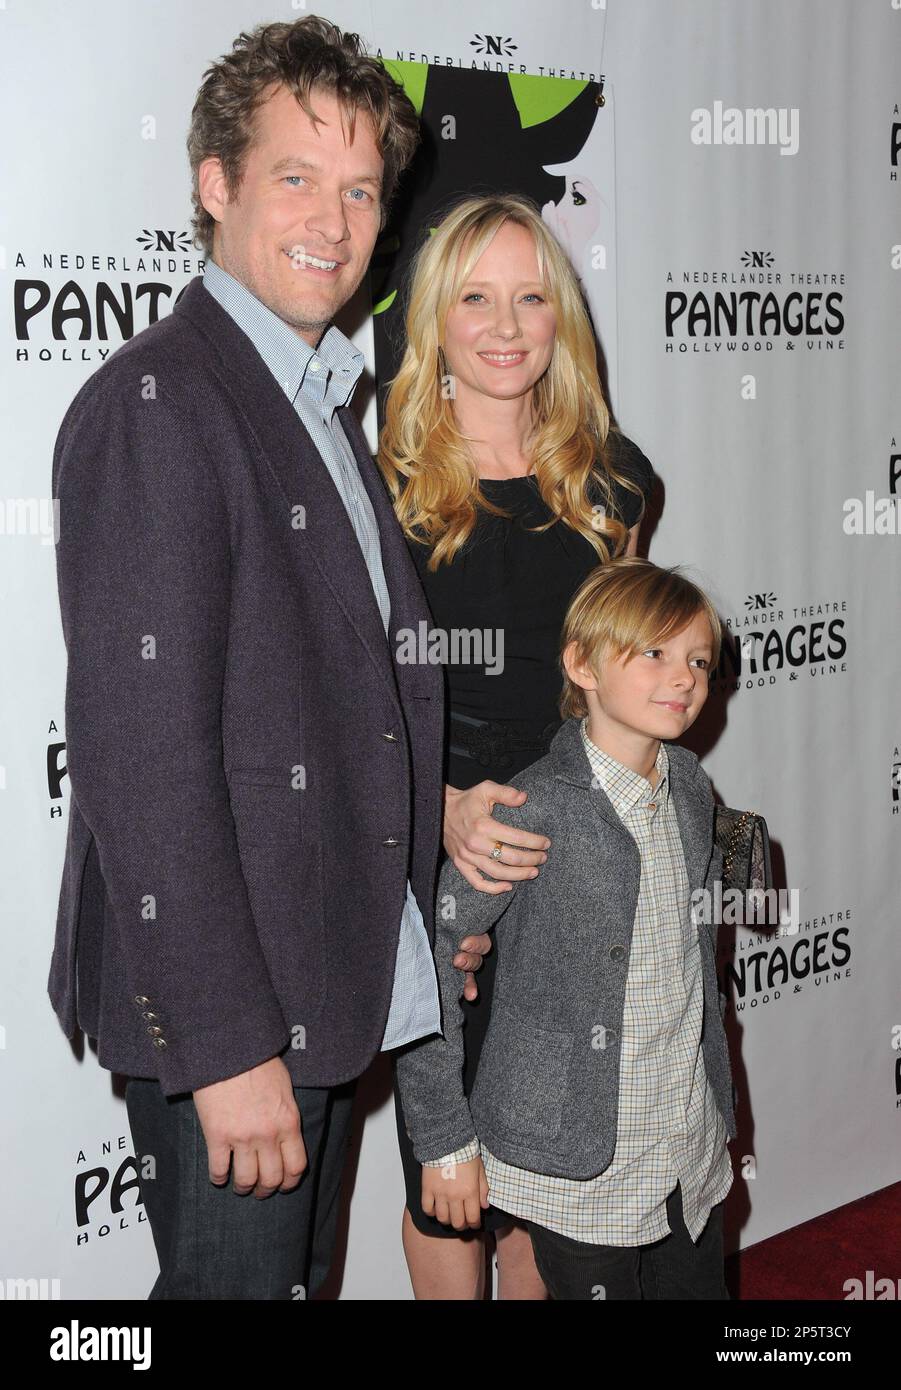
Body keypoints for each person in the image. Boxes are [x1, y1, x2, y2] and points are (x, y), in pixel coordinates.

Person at [46, 15, 490, 1300]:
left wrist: (407, 920)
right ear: (215, 184)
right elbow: (143, 761)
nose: (333, 222)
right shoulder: (162, 405)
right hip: (236, 1010)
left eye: (359, 189)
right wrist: (227, 1043)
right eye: (296, 177)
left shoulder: (313, 399)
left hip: (317, 968)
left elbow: (348, 706)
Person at [378, 193, 657, 1297]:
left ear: (560, 316)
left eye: (530, 297)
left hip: (569, 855)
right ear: (435, 321)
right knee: (446, 1175)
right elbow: (355, 702)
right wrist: (441, 815)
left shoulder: (611, 480)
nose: (504, 326)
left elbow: (617, 681)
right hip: (438, 849)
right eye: (475, 299)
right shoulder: (385, 485)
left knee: (544, 1166)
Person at [395, 557, 737, 1300]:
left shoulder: (690, 786)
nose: (683, 678)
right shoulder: (531, 808)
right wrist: (443, 1141)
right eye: (653, 653)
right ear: (582, 664)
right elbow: (432, 966)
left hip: (686, 1139)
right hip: (576, 1158)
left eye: (698, 660)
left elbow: (699, 936)